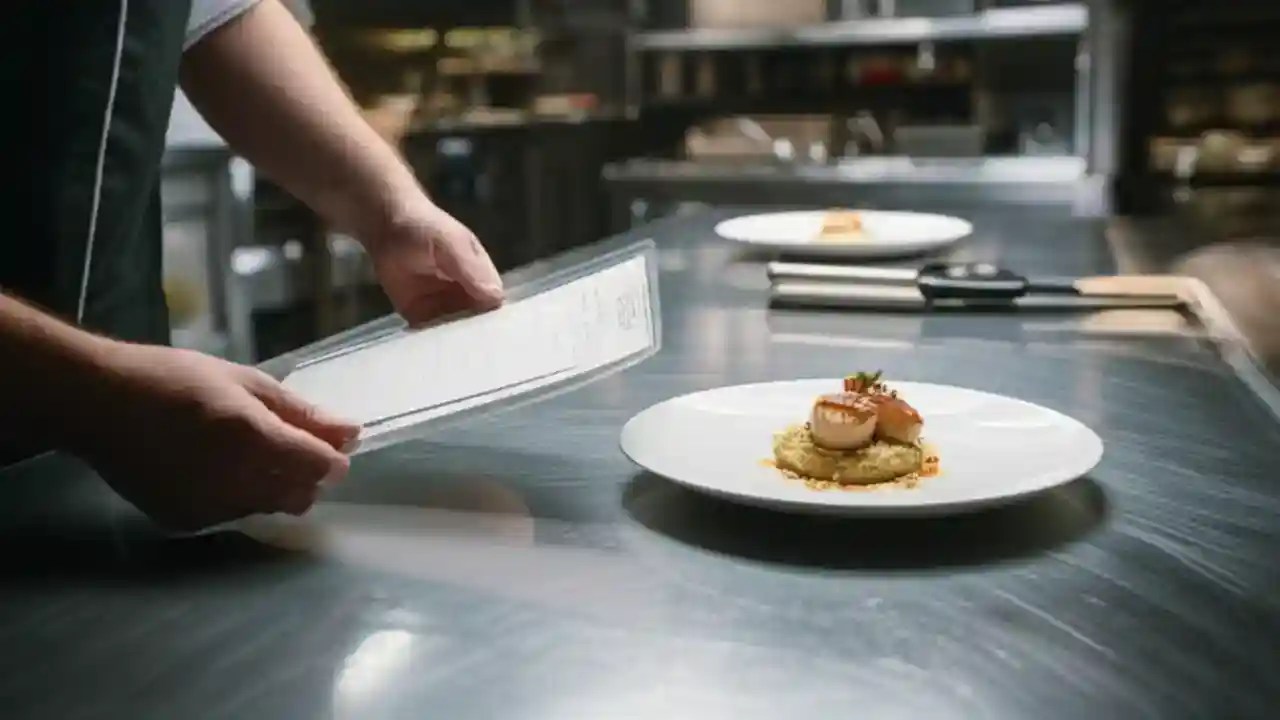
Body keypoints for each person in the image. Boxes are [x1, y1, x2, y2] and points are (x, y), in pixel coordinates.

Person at [0, 1, 505, 530]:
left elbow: (217, 15)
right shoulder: (108, 397)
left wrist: (390, 207)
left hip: (125, 438)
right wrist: (96, 391)